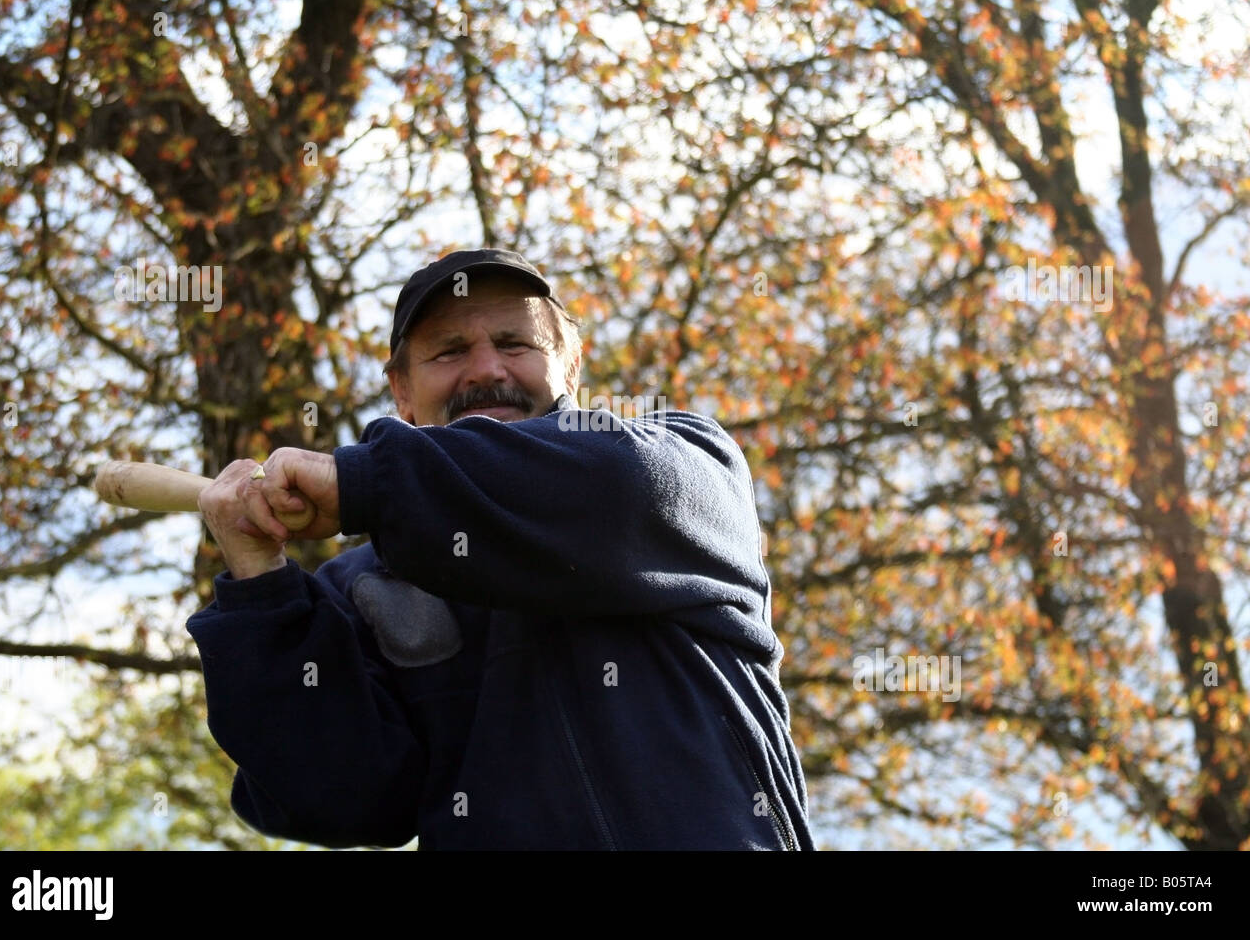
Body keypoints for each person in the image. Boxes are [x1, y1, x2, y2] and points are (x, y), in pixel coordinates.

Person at [187, 247, 815, 849]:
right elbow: (338, 796)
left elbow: (616, 486)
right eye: (450, 350)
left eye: (516, 343)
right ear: (401, 391)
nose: (486, 369)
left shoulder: (683, 463)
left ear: (569, 367)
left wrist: (365, 483)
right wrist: (259, 584)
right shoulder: (357, 589)